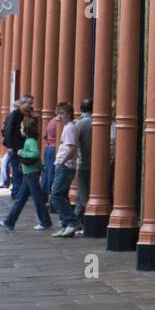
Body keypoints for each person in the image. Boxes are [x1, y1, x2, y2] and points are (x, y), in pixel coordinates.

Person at [0, 117, 51, 232]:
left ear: (26, 129)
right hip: (29, 173)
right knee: (21, 199)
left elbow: (35, 154)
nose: (20, 129)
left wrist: (22, 152)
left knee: (37, 199)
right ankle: (9, 222)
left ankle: (45, 222)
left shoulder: (30, 141)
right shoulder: (29, 140)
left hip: (31, 173)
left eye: (21, 127)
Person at [50, 102, 79, 237]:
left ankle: (71, 222)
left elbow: (72, 148)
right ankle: (66, 225)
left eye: (62, 113)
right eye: (58, 113)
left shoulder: (69, 128)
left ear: (68, 114)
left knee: (56, 194)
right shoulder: (69, 127)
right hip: (65, 165)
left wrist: (63, 161)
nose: (59, 116)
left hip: (65, 166)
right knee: (62, 195)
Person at [2, 96, 33, 198]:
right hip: (15, 147)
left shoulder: (27, 115)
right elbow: (8, 131)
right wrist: (10, 146)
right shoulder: (15, 115)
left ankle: (19, 192)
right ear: (23, 104)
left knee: (21, 170)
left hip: (23, 147)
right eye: (29, 103)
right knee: (17, 169)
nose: (31, 106)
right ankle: (16, 192)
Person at [73, 98, 93, 233]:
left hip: (83, 162)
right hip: (96, 164)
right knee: (81, 195)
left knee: (83, 194)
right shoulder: (96, 122)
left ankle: (81, 223)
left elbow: (74, 144)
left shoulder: (80, 124)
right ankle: (74, 221)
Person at [41, 112, 59, 197]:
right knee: (51, 172)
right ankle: (50, 193)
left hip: (47, 147)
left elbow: (45, 136)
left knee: (46, 171)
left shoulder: (51, 121)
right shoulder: (58, 122)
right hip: (54, 147)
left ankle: (43, 192)